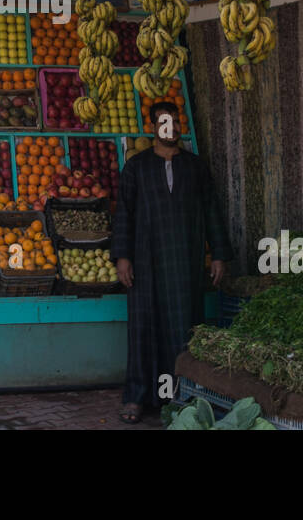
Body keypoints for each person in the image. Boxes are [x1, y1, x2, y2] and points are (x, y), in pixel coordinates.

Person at [111, 101, 233, 424]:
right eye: (164, 122)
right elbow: (123, 214)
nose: (171, 127)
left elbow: (211, 211)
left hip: (183, 260)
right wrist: (123, 257)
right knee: (143, 330)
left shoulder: (195, 168)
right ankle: (137, 398)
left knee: (183, 330)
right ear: (153, 127)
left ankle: (177, 397)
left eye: (175, 121)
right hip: (144, 261)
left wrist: (218, 253)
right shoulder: (135, 168)